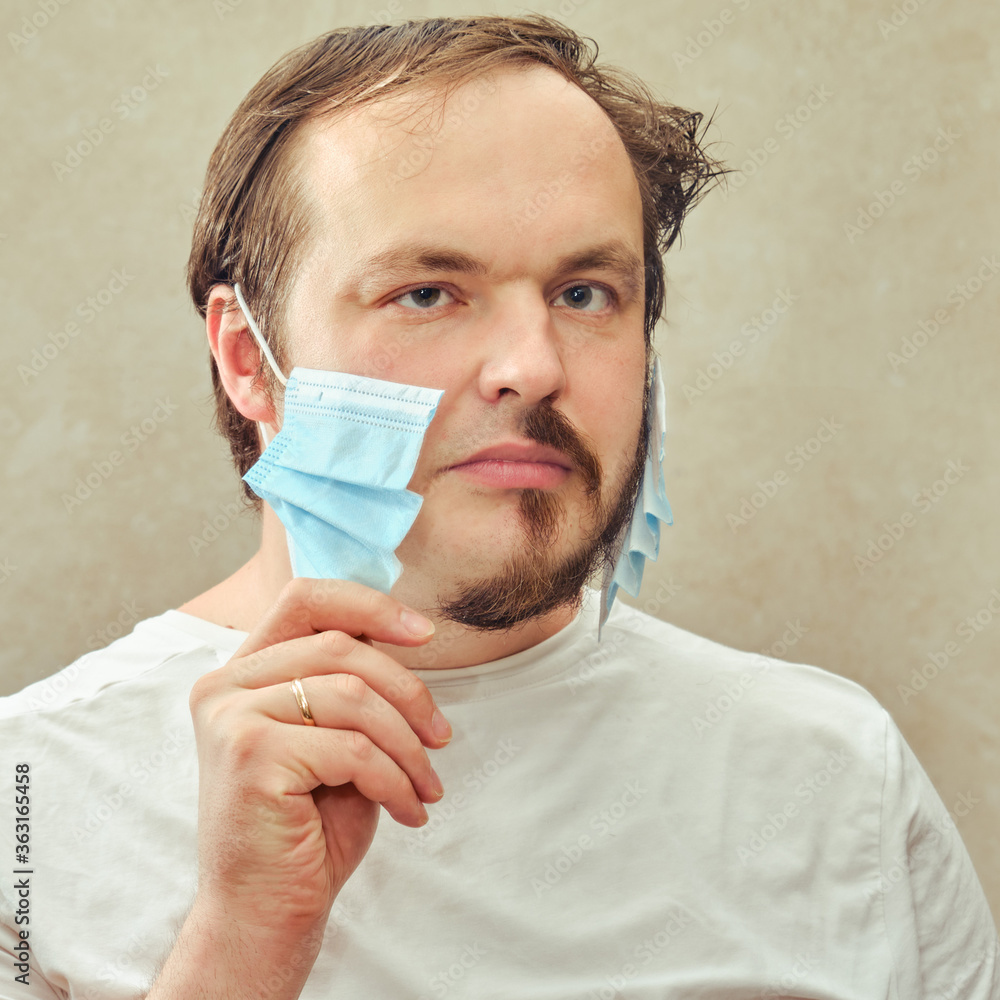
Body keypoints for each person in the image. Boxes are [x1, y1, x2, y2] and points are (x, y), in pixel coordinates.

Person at [2, 14, 997, 1000]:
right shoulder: (28, 802)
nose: (533, 367)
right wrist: (240, 945)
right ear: (247, 359)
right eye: (428, 293)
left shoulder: (835, 782)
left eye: (584, 293)